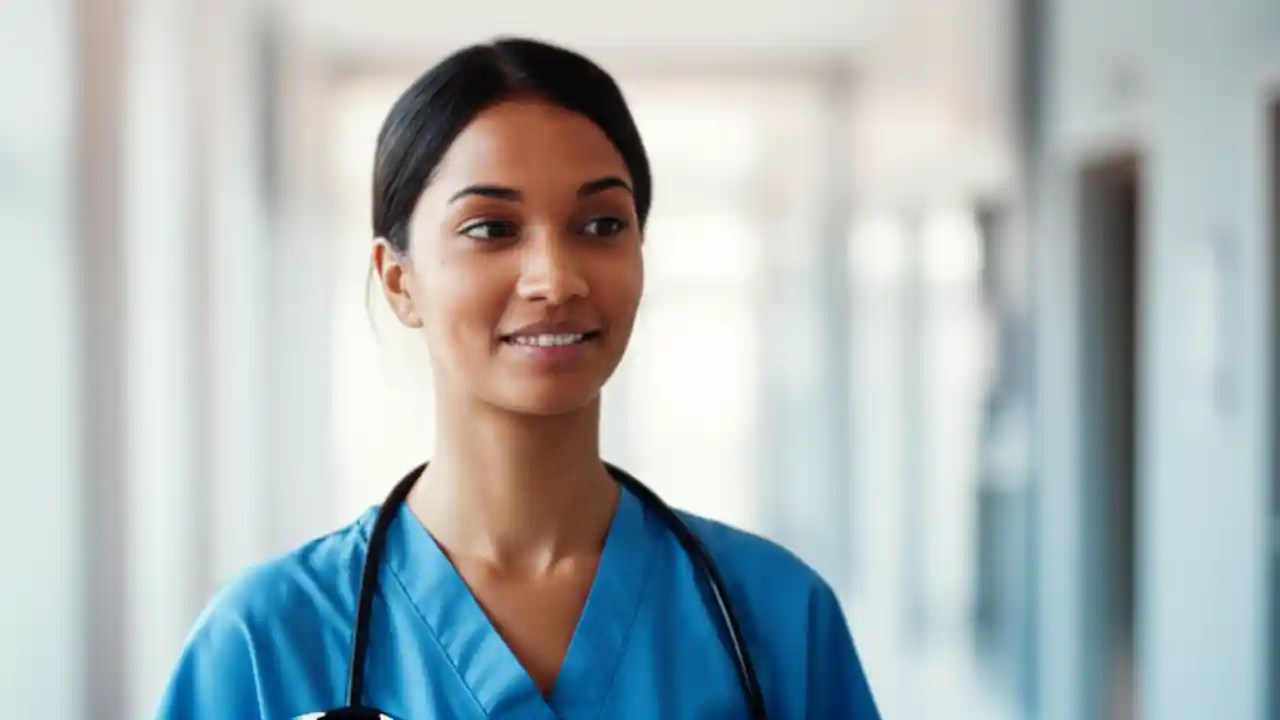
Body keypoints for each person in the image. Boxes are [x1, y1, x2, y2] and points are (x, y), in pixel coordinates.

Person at [157, 37, 880, 719]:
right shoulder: (265, 643)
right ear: (399, 280)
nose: (556, 279)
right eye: (491, 229)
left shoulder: (776, 618)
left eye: (601, 226)